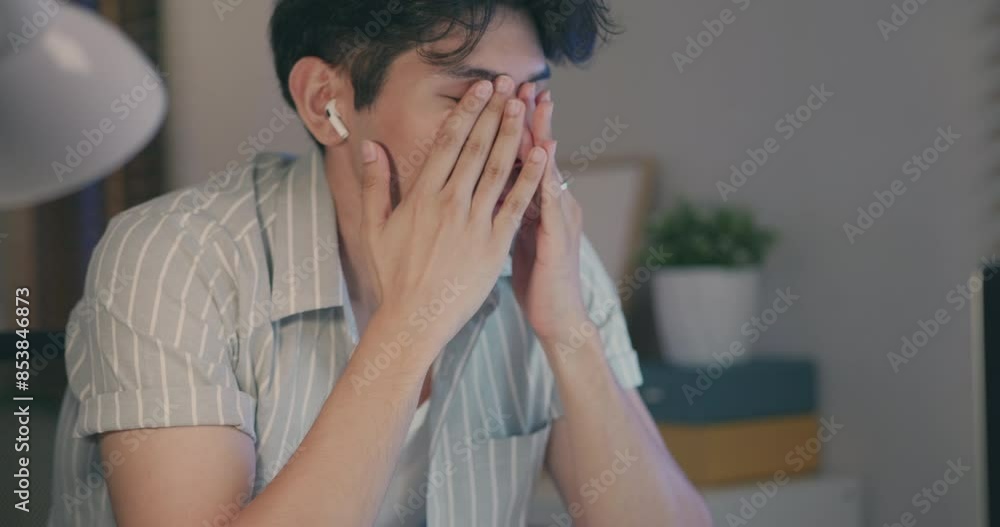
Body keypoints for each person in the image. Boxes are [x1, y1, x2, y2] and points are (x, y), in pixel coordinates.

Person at [47, 1, 711, 525]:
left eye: (533, 97)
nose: (511, 140)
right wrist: (412, 323)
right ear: (324, 102)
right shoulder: (173, 258)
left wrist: (568, 328)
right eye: (467, 102)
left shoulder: (545, 249)